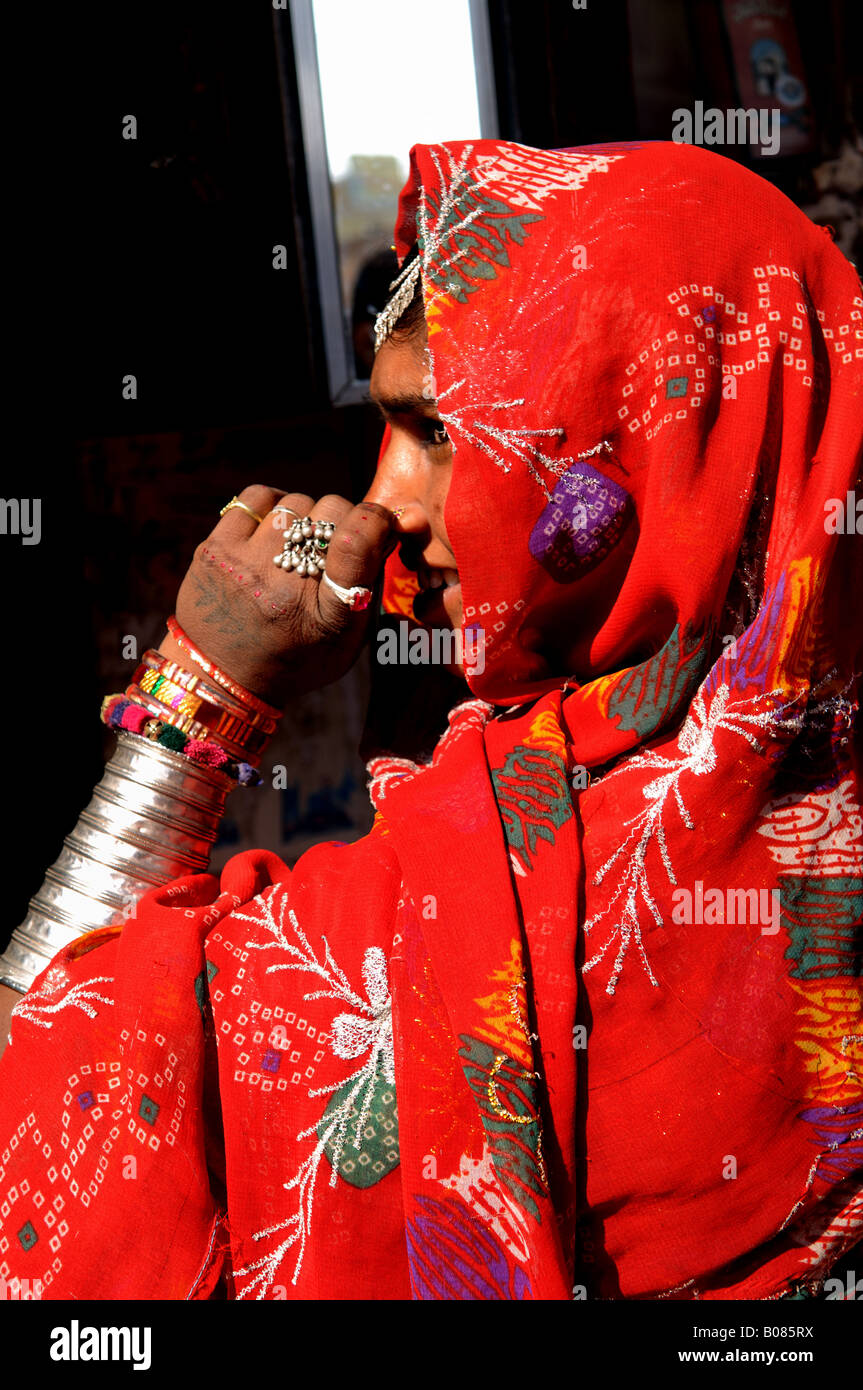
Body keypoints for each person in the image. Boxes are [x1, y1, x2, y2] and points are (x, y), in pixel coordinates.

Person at [0, 138, 860, 1301]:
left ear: (634, 429)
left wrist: (198, 690)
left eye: (440, 428)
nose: (386, 502)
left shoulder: (429, 943)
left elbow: (38, 1100)